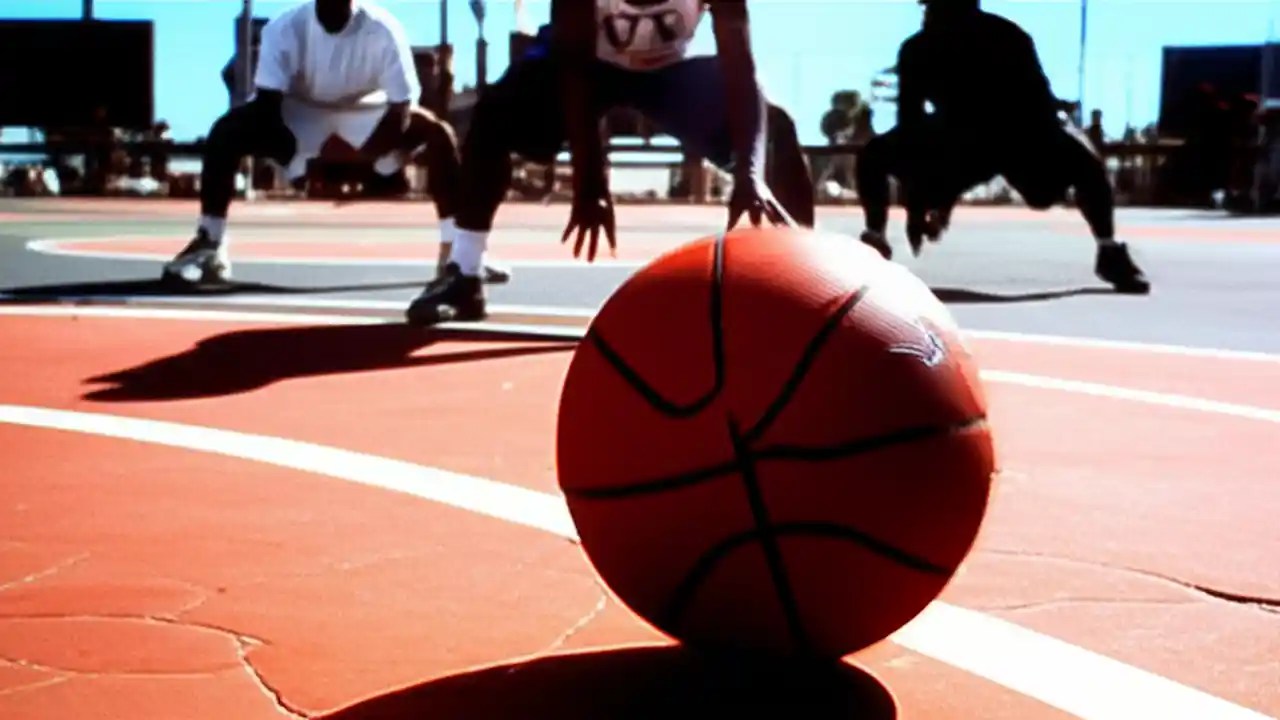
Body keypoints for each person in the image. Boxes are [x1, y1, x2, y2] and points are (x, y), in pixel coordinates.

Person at [404, 0, 816, 325]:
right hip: (585, 65)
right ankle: (465, 272)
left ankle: (806, 281)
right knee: (494, 114)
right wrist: (590, 181)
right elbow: (576, 71)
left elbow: (741, 69)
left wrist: (749, 173)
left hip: (668, 74)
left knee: (776, 131)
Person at [163, 0, 507, 286]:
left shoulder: (383, 29)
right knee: (227, 129)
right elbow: (267, 111)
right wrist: (298, 165)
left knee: (439, 134)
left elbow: (400, 108)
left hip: (367, 108)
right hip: (300, 107)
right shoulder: (283, 29)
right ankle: (210, 242)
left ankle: (459, 254)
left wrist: (374, 163)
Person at [854, 0, 1150, 294]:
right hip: (963, 142)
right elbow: (912, 125)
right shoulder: (919, 49)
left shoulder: (1004, 37)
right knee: (873, 156)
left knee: (1083, 166)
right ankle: (875, 239)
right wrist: (923, 200)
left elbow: (1039, 105)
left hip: (1015, 137)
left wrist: (927, 199)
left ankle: (1108, 249)